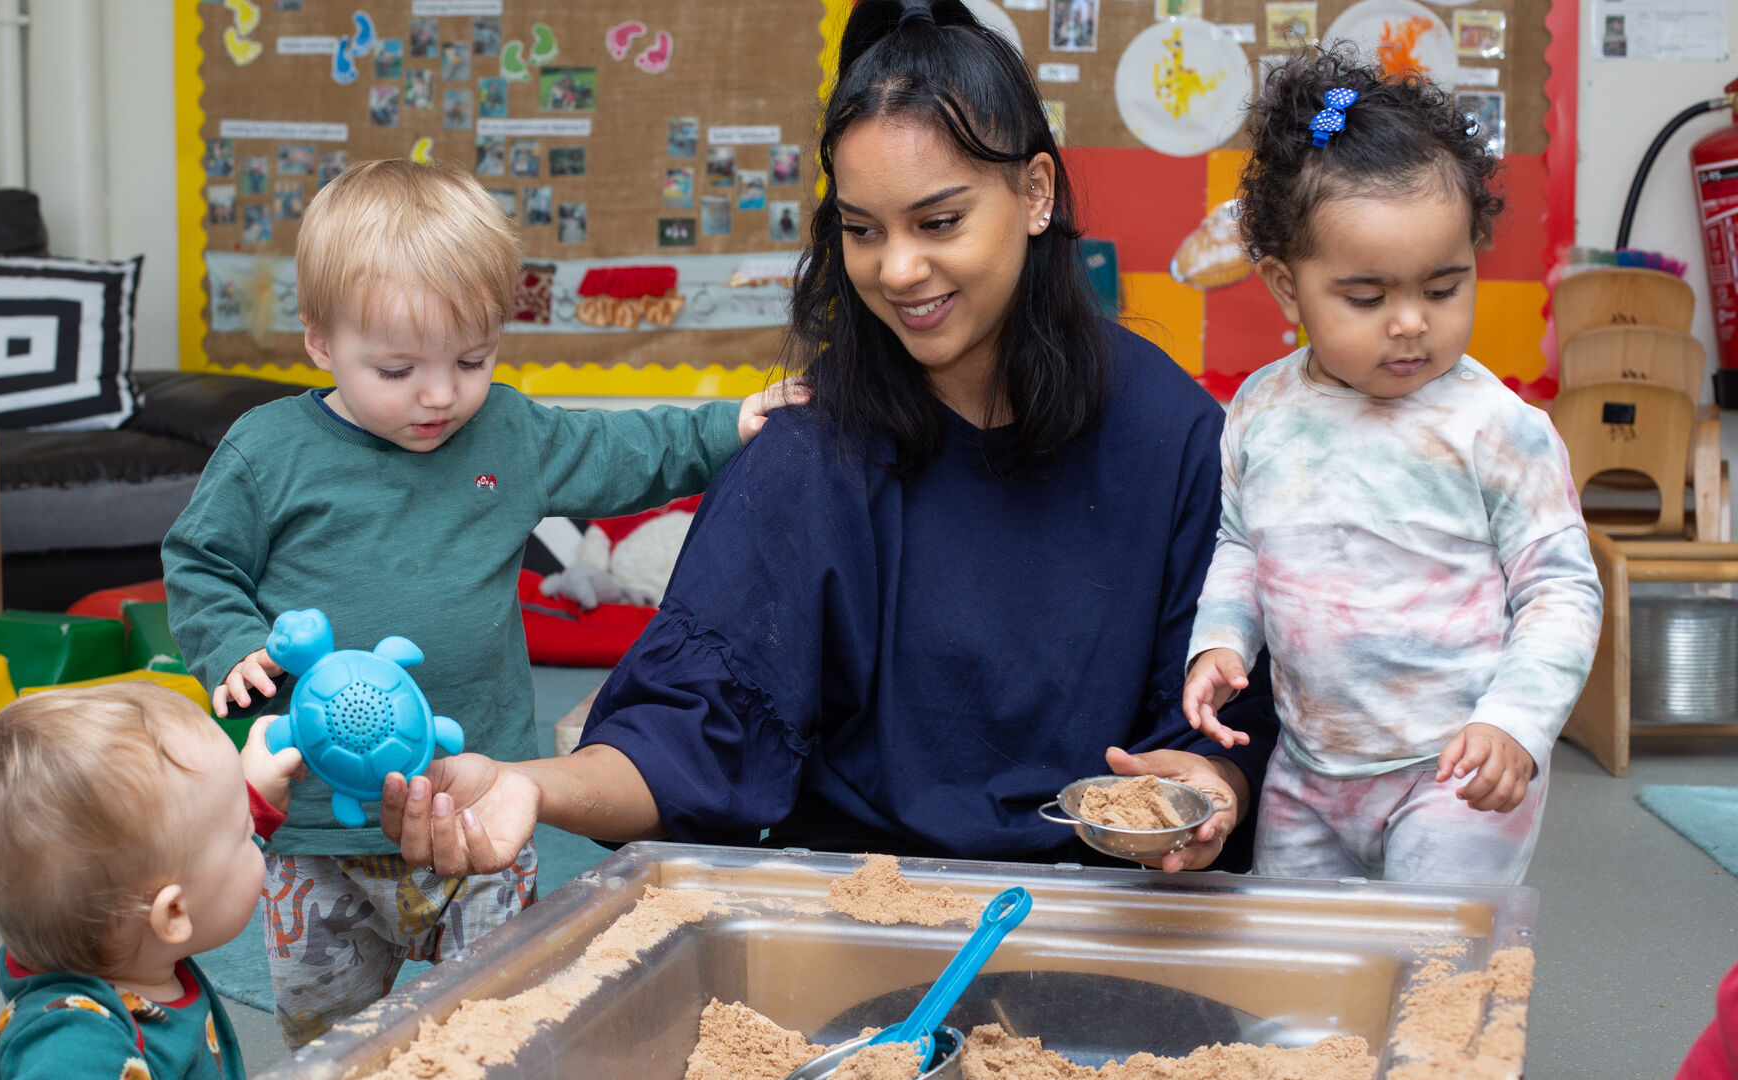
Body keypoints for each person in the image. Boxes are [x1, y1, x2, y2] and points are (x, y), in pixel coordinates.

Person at [376, 0, 1280, 881]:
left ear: (1035, 192)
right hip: (861, 906)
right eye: (861, 231)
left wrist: (1216, 782)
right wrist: (528, 786)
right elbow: (693, 734)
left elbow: (1225, 722)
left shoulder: (1170, 432)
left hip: (1108, 907)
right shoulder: (808, 456)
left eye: (939, 222)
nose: (897, 270)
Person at [161, 158, 799, 1047]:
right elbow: (199, 559)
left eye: (472, 358)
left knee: (505, 1013)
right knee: (331, 1036)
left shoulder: (504, 430)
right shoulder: (267, 451)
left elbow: (623, 451)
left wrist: (727, 427)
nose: (439, 394)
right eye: (396, 368)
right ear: (320, 343)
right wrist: (230, 643)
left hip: (479, 803)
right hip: (318, 830)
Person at [1180, 49, 1602, 884]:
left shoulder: (1494, 427)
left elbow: (1560, 586)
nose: (1410, 323)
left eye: (1444, 288)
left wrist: (1516, 724)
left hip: (1460, 767)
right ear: (1286, 288)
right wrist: (1221, 641)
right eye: (1367, 298)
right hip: (1308, 772)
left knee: (1434, 972)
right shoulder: (1261, 412)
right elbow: (1240, 543)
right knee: (1299, 979)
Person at [0, 684, 303, 1080]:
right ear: (172, 914)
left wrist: (253, 798)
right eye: (244, 832)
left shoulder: (127, 948)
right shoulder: (75, 1051)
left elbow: (199, 862)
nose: (254, 835)